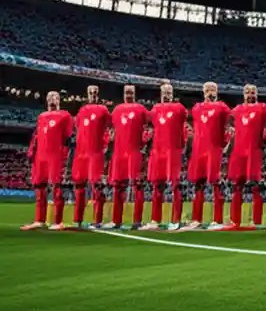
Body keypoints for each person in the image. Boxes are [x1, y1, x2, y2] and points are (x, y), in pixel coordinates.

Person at [182, 82, 231, 231]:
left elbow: (229, 125)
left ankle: (217, 220)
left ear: (217, 92)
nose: (210, 92)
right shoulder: (197, 108)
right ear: (203, 92)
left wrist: (225, 144)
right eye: (208, 90)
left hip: (214, 149)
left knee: (215, 183)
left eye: (213, 90)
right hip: (199, 150)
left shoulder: (222, 107)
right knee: (199, 184)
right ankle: (197, 219)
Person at [21, 91, 72, 231]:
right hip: (40, 156)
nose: (52, 99)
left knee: (56, 187)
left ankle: (58, 221)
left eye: (55, 97)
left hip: (55, 155)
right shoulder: (41, 117)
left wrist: (66, 156)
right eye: (49, 97)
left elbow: (69, 138)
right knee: (39, 187)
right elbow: (37, 135)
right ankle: (39, 220)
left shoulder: (65, 115)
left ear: (60, 100)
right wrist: (32, 150)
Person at [228, 84, 266, 229]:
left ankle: (256, 221)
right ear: (243, 94)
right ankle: (235, 221)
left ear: (257, 94)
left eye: (253, 92)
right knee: (236, 186)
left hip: (254, 151)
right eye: (247, 92)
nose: (250, 94)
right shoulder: (237, 110)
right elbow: (229, 123)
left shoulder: (262, 108)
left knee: (255, 186)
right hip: (239, 151)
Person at [146, 82, 187, 231]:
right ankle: (155, 219)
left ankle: (176, 220)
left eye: (169, 91)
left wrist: (181, 147)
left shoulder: (179, 109)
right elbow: (151, 128)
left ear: (173, 93)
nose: (166, 94)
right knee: (157, 186)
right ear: (160, 93)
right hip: (158, 151)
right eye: (164, 91)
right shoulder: (155, 109)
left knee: (175, 185)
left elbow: (183, 130)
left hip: (173, 151)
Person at [107, 85, 149, 230]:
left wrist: (144, 141)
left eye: (131, 92)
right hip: (119, 153)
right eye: (126, 92)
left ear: (135, 93)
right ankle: (116, 220)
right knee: (118, 187)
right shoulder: (117, 110)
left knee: (137, 186)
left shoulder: (141, 109)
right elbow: (110, 129)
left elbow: (150, 126)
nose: (129, 94)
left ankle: (137, 221)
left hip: (134, 152)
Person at [70, 85, 110, 229]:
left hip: (95, 154)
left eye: (95, 92)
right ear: (87, 94)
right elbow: (78, 128)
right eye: (90, 92)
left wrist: (104, 145)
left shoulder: (103, 110)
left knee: (97, 187)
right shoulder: (81, 111)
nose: (93, 94)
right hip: (81, 154)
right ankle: (77, 220)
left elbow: (109, 128)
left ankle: (97, 220)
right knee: (79, 188)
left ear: (98, 94)